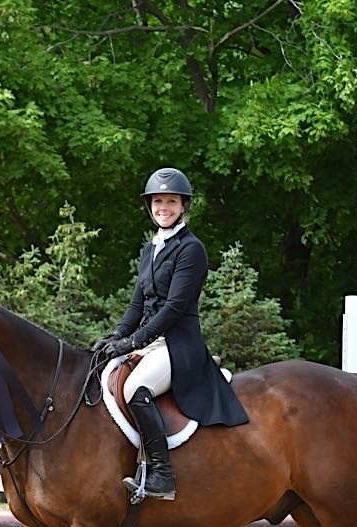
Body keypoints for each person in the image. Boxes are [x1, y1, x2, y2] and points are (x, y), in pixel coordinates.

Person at [93, 167, 249, 503]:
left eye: (171, 201)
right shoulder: (151, 249)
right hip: (153, 342)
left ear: (183, 205)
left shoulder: (191, 249)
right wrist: (116, 335)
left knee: (135, 388)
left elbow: (174, 309)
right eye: (158, 201)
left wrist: (134, 341)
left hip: (179, 345)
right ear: (150, 205)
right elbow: (138, 304)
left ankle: (162, 475)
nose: (164, 207)